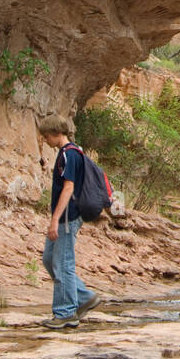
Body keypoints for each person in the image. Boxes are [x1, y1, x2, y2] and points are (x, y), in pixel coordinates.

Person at [38, 114, 101, 329]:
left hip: (67, 216)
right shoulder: (66, 154)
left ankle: (65, 313)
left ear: (56, 133)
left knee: (63, 263)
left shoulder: (69, 155)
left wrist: (55, 220)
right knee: (49, 259)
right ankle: (84, 297)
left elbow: (68, 188)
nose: (45, 140)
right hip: (64, 217)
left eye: (46, 136)